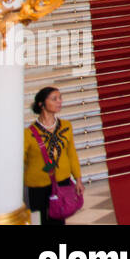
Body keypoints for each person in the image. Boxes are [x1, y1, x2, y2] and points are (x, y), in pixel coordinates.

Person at [24, 87, 82, 226]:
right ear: (41, 104)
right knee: (41, 220)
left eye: (60, 98)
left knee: (59, 219)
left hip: (62, 180)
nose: (59, 102)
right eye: (54, 99)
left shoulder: (66, 126)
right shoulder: (28, 133)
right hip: (38, 185)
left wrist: (78, 178)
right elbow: (22, 160)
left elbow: (71, 154)